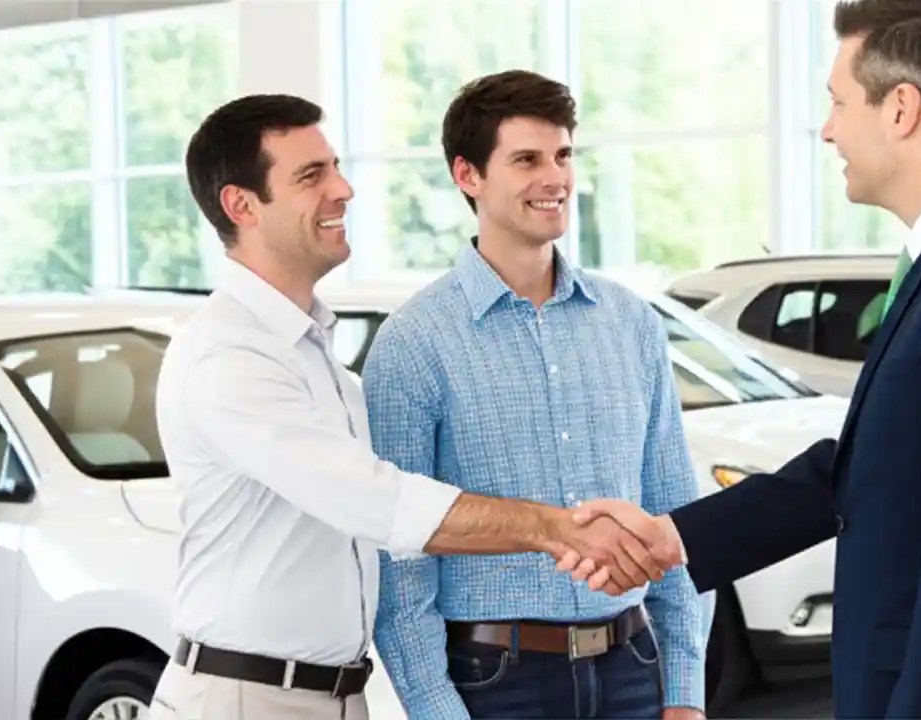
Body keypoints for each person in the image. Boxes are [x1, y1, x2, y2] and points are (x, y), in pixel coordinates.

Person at [568, 1, 921, 718]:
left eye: (837, 101)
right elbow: (870, 466)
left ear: (902, 109)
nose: (828, 128)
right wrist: (673, 536)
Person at [148, 93, 664, 720]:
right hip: (243, 699)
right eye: (311, 175)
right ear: (241, 205)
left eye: (335, 166)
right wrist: (555, 527)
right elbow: (376, 501)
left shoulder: (309, 348)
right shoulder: (227, 355)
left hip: (329, 694)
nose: (343, 189)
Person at [364, 70, 707, 720]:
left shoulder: (631, 322)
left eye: (563, 155)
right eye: (526, 159)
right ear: (468, 175)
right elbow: (399, 560)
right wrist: (437, 711)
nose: (555, 179)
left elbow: (674, 512)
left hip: (635, 666)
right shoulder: (414, 343)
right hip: (496, 681)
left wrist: (685, 691)